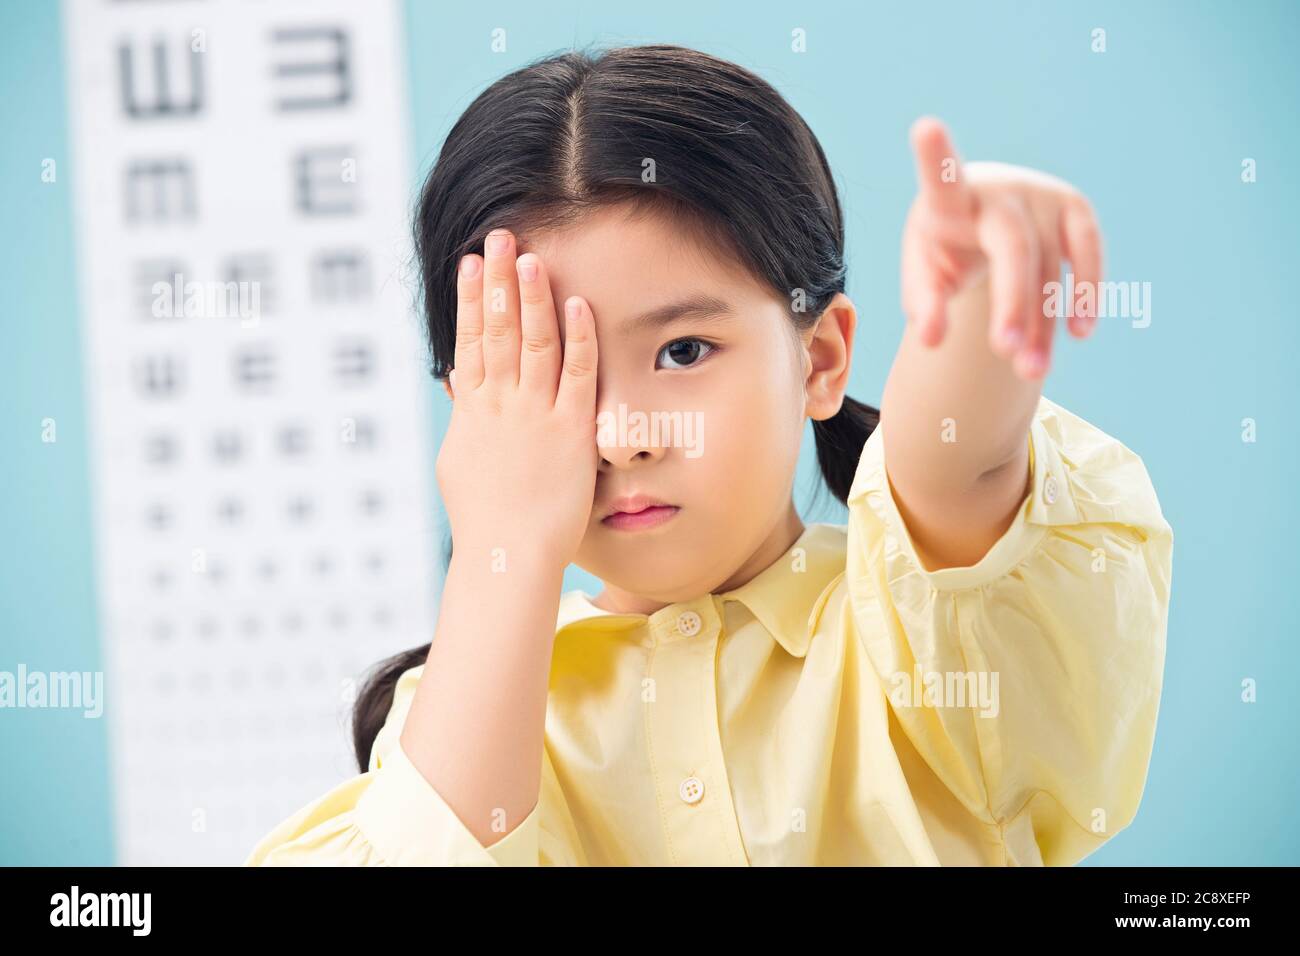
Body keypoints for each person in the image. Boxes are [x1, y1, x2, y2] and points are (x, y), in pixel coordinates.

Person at [245, 43, 1172, 866]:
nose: (627, 434)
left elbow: (950, 465)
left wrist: (973, 310)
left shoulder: (912, 632)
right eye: (554, 373)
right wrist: (506, 548)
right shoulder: (459, 719)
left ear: (819, 358)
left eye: (684, 351)